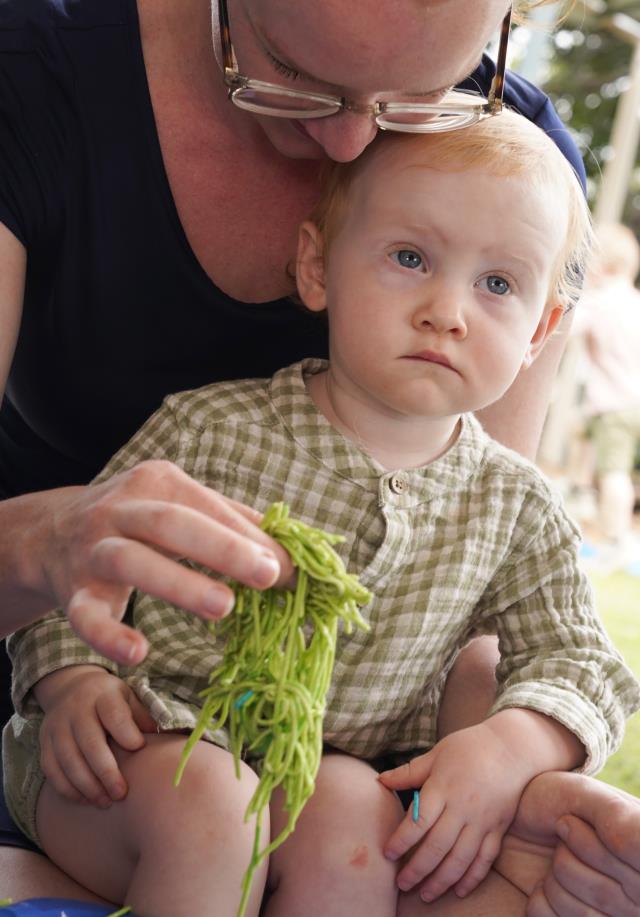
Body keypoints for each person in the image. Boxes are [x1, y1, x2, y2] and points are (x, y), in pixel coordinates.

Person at [1, 0, 640, 913]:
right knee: (215, 807)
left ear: (541, 330)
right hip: (142, 737)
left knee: (351, 816)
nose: (448, 313)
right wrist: (71, 679)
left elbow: (578, 661)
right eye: (411, 259)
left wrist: (511, 754)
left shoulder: (515, 504)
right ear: (317, 270)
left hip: (335, 764)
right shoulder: (209, 428)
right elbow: (81, 567)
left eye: (495, 286)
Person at [571, 223, 640, 571]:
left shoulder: (601, 302)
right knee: (585, 442)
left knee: (613, 473)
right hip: (633, 403)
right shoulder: (635, 303)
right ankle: (583, 499)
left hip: (612, 404)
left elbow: (565, 328)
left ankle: (618, 541)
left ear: (604, 266)